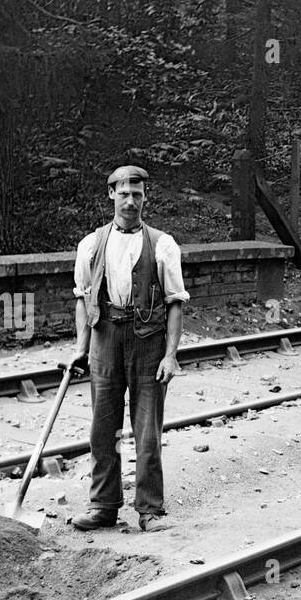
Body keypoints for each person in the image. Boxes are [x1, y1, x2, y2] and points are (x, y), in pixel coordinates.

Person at [67, 165, 189, 532]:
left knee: (147, 430)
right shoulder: (91, 245)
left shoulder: (163, 244)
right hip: (105, 338)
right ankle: (103, 506)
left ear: (145, 197)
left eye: (137, 194)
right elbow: (82, 297)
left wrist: (170, 355)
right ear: (111, 195)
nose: (131, 201)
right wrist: (80, 348)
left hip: (148, 342)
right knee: (103, 429)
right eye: (124, 194)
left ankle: (149, 510)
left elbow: (175, 302)